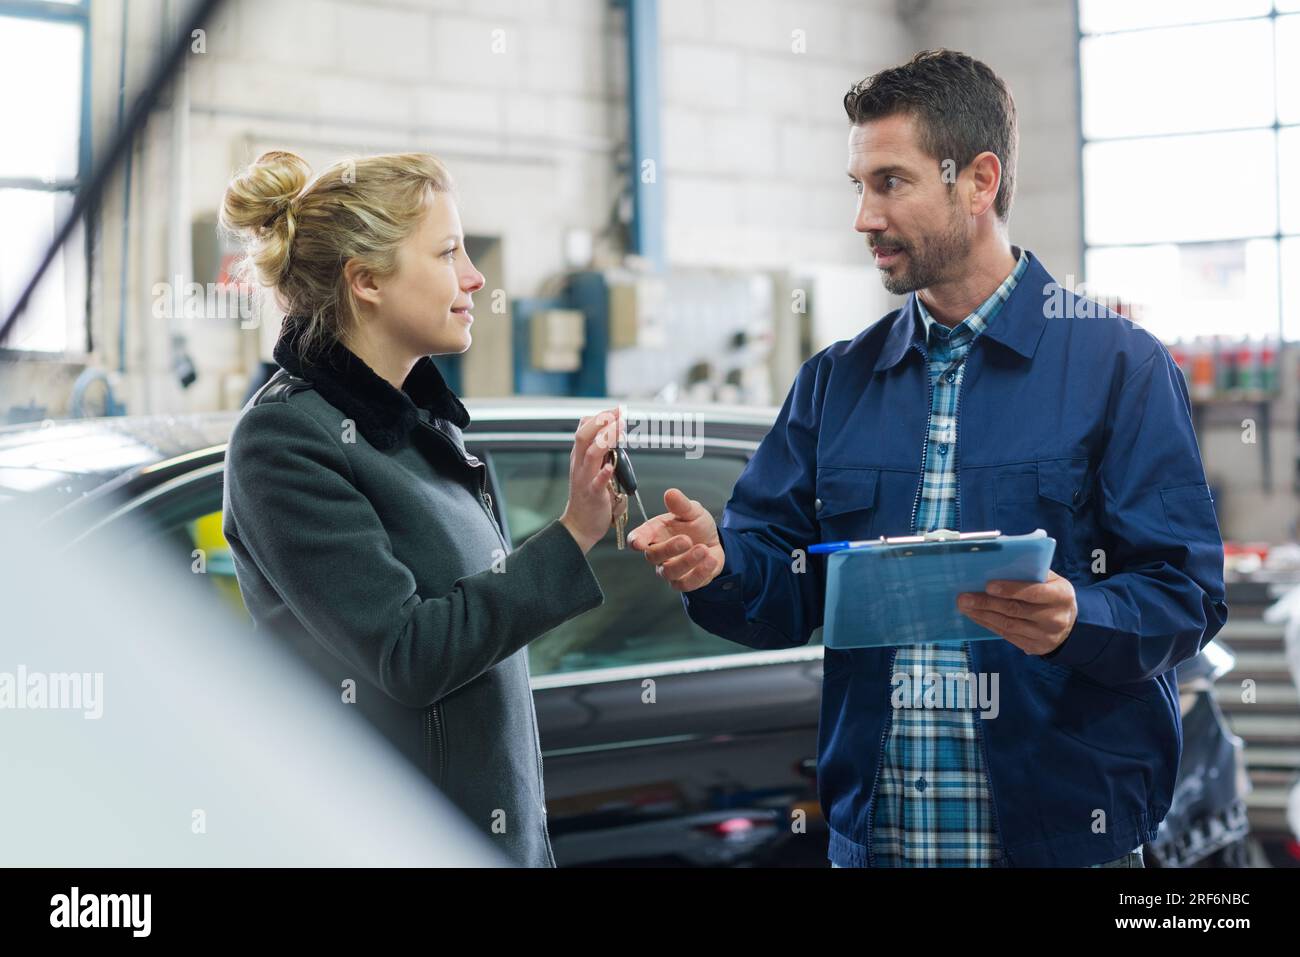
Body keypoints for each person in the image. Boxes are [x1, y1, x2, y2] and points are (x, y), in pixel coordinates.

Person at [628, 50, 1227, 868]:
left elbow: (1185, 594)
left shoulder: (1119, 366)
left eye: (890, 182)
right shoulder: (835, 382)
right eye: (858, 186)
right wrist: (716, 565)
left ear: (978, 182)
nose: (864, 217)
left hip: (1060, 845)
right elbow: (783, 587)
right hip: (878, 843)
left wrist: (1076, 618)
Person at [220, 150, 626, 867]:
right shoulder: (283, 440)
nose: (474, 276)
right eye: (447, 253)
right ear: (366, 279)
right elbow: (409, 653)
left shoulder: (428, 426)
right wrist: (570, 534)